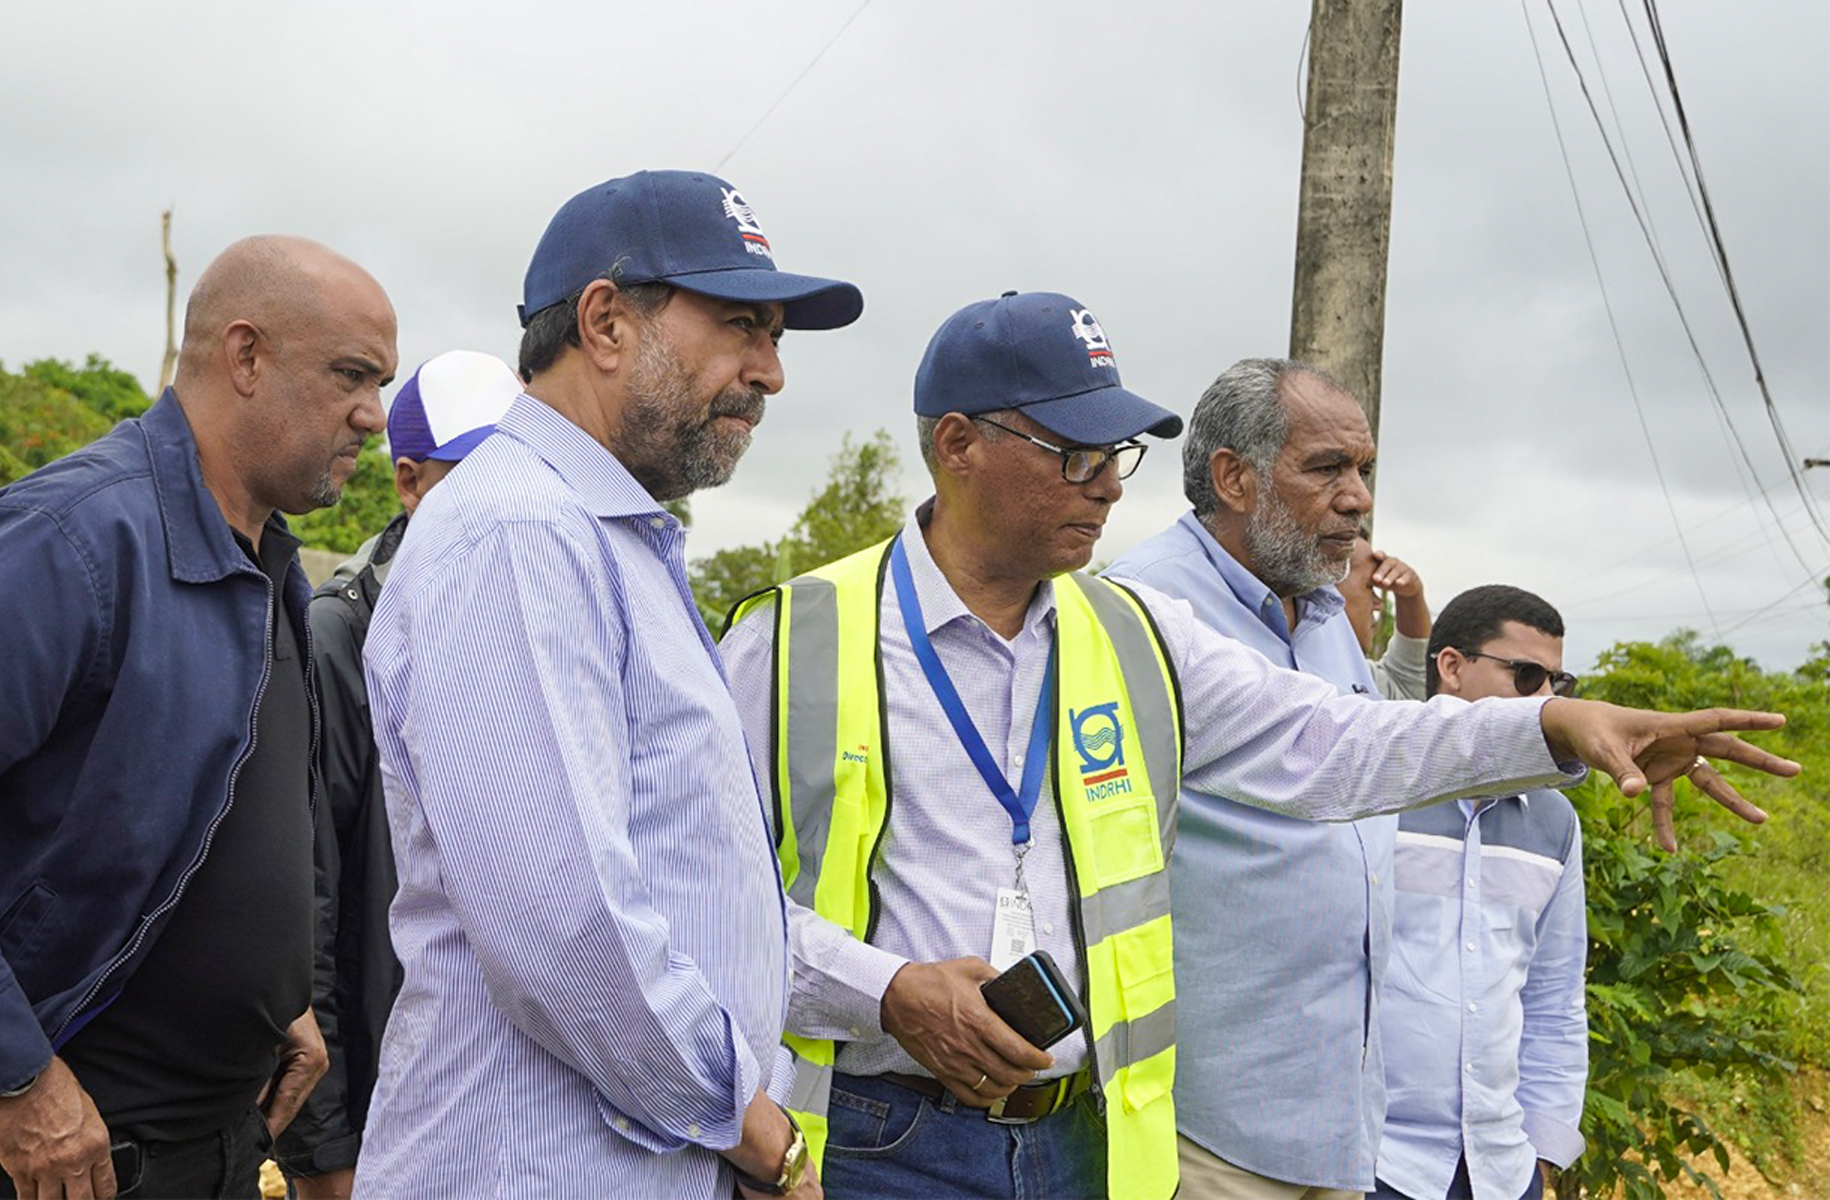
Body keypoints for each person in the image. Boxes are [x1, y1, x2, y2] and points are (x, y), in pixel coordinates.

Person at [720, 301, 1793, 1200]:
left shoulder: (1131, 638)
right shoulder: (793, 639)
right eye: (1077, 453)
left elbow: (1339, 745)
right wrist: (887, 988)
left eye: (1120, 455)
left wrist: (1553, 726)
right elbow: (704, 899)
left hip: (1076, 1144)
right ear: (958, 446)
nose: (1109, 485)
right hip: (872, 1134)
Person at [350, 169, 861, 1199]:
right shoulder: (521, 534)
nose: (770, 372)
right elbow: (567, 928)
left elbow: (693, 887)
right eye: (741, 326)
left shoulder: (602, 535)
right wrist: (752, 1124)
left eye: (776, 338)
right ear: (606, 322)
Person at [0, 235, 395, 1199]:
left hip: (215, 1141)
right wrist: (10, 1069)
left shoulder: (271, 571)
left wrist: (275, 999)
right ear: (246, 356)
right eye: (351, 374)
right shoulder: (80, 537)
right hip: (48, 1157)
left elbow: (209, 824)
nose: (373, 417)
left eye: (380, 382)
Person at [1105, 356, 1398, 1197]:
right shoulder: (1146, 611)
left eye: (1364, 470)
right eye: (1327, 468)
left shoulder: (1324, 607)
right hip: (1204, 1127)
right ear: (1233, 477)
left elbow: (1369, 756)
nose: (1359, 498)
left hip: (1337, 1117)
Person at [275, 349, 522, 1198]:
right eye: (476, 475)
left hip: (517, 1115)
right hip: (393, 1125)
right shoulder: (340, 638)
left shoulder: (535, 630)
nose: (510, 503)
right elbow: (305, 912)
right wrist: (328, 1151)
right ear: (409, 481)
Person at [1372, 586, 1588, 1200]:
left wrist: (1543, 1155)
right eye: (1526, 675)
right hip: (1378, 1164)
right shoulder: (1375, 796)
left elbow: (1554, 993)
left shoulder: (1554, 822)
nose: (1545, 698)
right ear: (1451, 667)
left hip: (1503, 1169)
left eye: (1557, 681)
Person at [1340, 531, 1432, 701]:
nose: (1378, 603)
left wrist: (1411, 596)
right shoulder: (1281, 672)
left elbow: (1409, 690)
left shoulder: (1357, 675)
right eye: (1369, 586)